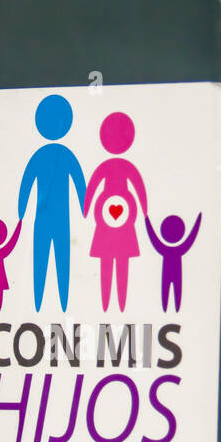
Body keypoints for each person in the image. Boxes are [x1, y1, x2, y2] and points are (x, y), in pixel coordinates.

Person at [18, 95, 86, 312]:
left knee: (55, 259)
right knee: (51, 259)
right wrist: (85, 208)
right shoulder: (60, 155)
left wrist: (21, 211)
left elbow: (27, 184)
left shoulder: (50, 155)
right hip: (53, 219)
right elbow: (79, 183)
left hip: (50, 219)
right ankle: (42, 303)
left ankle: (59, 303)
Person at [84, 112, 148, 312]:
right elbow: (93, 187)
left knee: (121, 261)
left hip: (124, 222)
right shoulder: (108, 167)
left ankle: (120, 304)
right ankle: (106, 304)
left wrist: (144, 212)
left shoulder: (123, 167)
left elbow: (139, 188)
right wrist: (86, 210)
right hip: (106, 223)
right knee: (110, 261)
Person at [144, 212, 202, 312]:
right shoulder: (179, 249)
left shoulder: (164, 249)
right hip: (173, 272)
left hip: (172, 272)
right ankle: (169, 309)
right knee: (169, 292)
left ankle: (170, 309)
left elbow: (153, 237)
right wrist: (198, 221)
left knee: (172, 292)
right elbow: (191, 237)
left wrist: (147, 219)